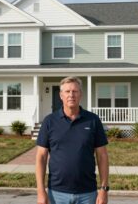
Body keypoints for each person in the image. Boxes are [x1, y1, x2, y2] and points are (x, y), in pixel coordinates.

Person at [36, 76, 109, 204]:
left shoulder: (93, 120)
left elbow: (102, 156)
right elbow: (41, 157)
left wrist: (104, 189)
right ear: (61, 95)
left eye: (75, 91)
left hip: (88, 193)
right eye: (67, 91)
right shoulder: (49, 121)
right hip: (57, 193)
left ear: (80, 94)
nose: (71, 95)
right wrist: (41, 191)